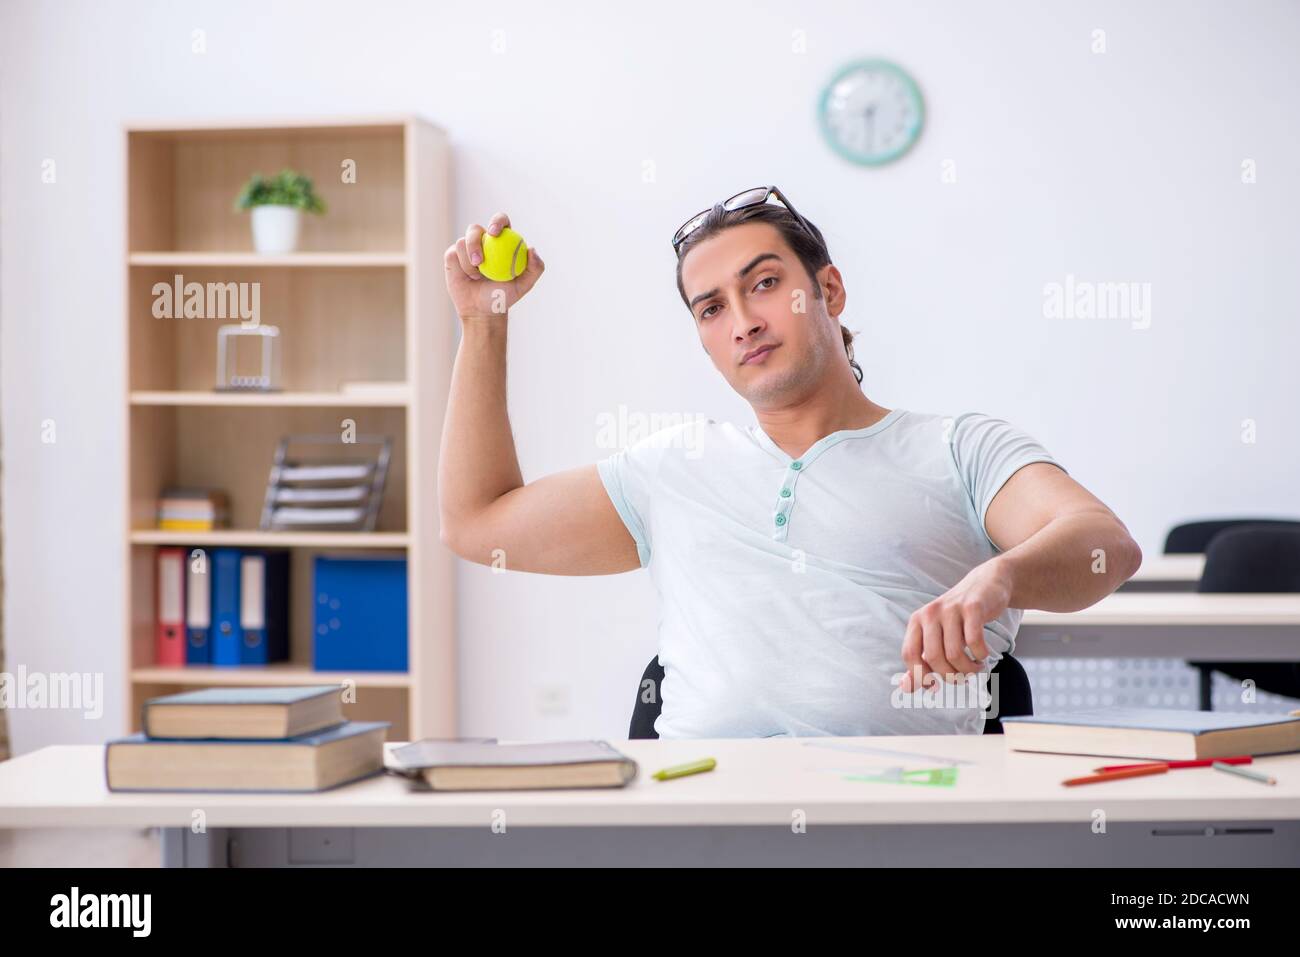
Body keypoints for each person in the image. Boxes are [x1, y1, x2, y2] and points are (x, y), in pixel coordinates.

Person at [438, 186, 1142, 737]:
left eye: (765, 283)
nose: (742, 319)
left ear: (829, 291)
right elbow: (478, 523)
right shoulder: (671, 468)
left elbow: (1106, 544)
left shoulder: (958, 447)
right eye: (711, 308)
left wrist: (1001, 576)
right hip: (700, 823)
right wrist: (484, 321)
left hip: (904, 821)